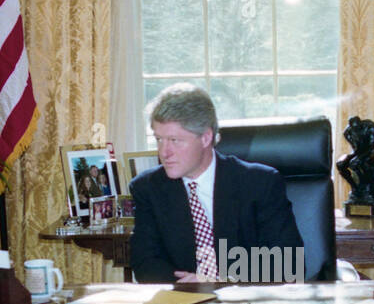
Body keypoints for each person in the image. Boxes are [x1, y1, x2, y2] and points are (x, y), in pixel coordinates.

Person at [129, 84, 303, 283]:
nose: (164, 152)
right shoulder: (148, 188)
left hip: (247, 303)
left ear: (205, 137)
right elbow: (144, 263)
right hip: (181, 303)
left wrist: (221, 281)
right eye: (159, 139)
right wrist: (188, 287)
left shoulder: (259, 184)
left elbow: (287, 263)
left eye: (175, 140)